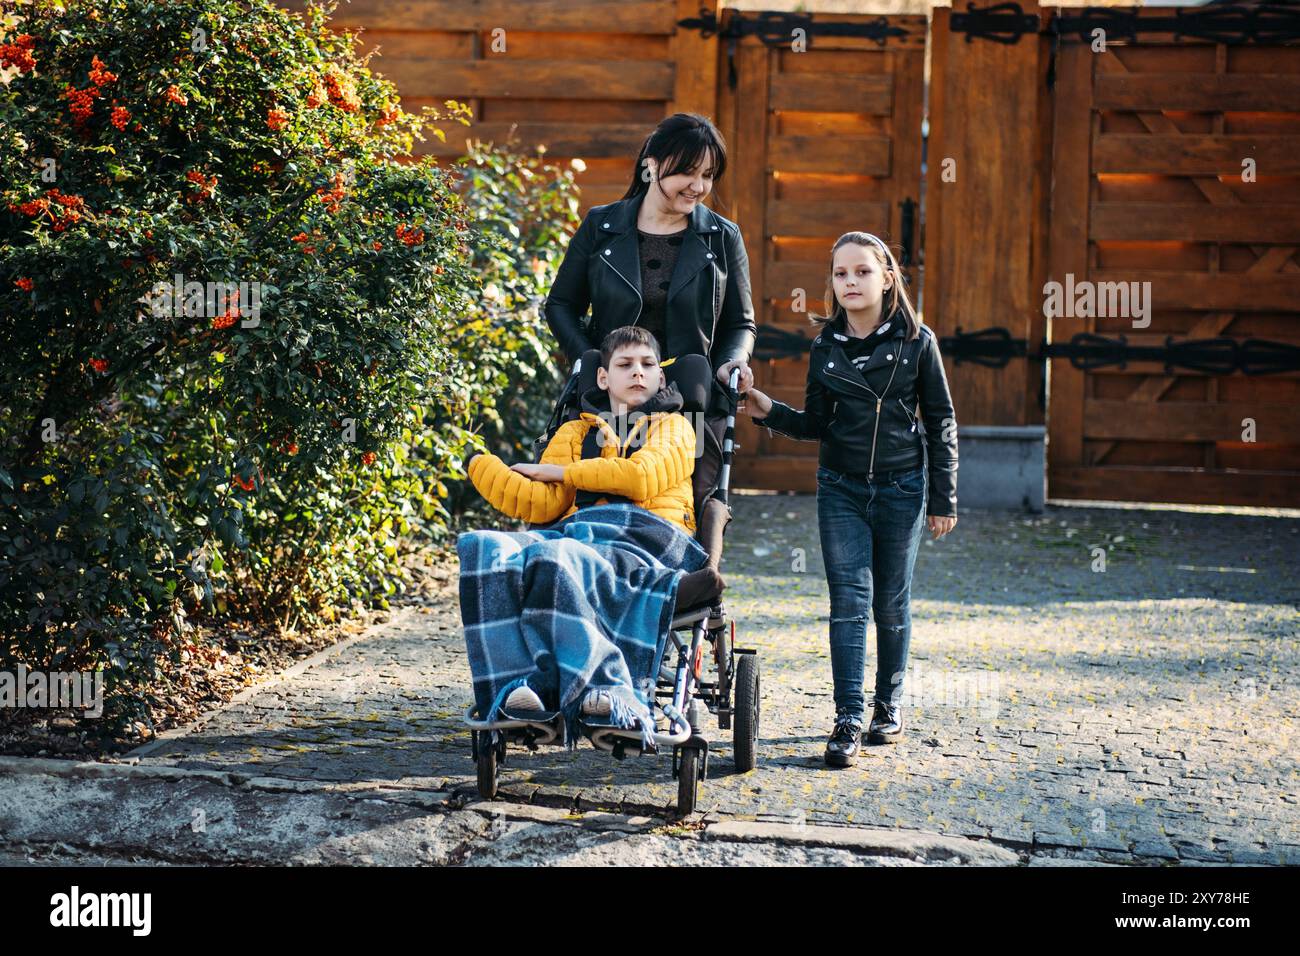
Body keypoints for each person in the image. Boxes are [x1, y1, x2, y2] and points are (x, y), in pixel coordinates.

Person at [739, 232, 959, 768]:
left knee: (890, 602)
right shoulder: (826, 347)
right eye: (840, 274)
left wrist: (943, 498)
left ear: (887, 278)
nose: (850, 283)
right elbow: (816, 424)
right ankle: (847, 719)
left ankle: (889, 702)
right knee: (849, 604)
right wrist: (767, 408)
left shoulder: (917, 342)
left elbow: (941, 421)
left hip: (903, 488)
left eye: (862, 272)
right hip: (840, 488)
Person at [459, 326, 723, 748]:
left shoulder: (675, 427)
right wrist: (482, 466)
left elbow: (641, 478)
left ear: (660, 378)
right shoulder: (574, 434)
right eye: (625, 365)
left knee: (558, 554)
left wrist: (564, 473)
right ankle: (516, 690)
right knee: (484, 547)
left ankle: (610, 686)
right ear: (603, 378)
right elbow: (542, 503)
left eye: (647, 365)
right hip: (576, 536)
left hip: (647, 539)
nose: (638, 372)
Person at [543, 112, 756, 508]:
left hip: (685, 402)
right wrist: (589, 362)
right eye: (688, 172)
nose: (698, 186)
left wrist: (732, 363)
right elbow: (560, 305)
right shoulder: (601, 226)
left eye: (708, 175)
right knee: (598, 500)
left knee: (670, 505)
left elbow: (740, 323)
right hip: (608, 402)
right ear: (652, 164)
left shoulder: (723, 236)